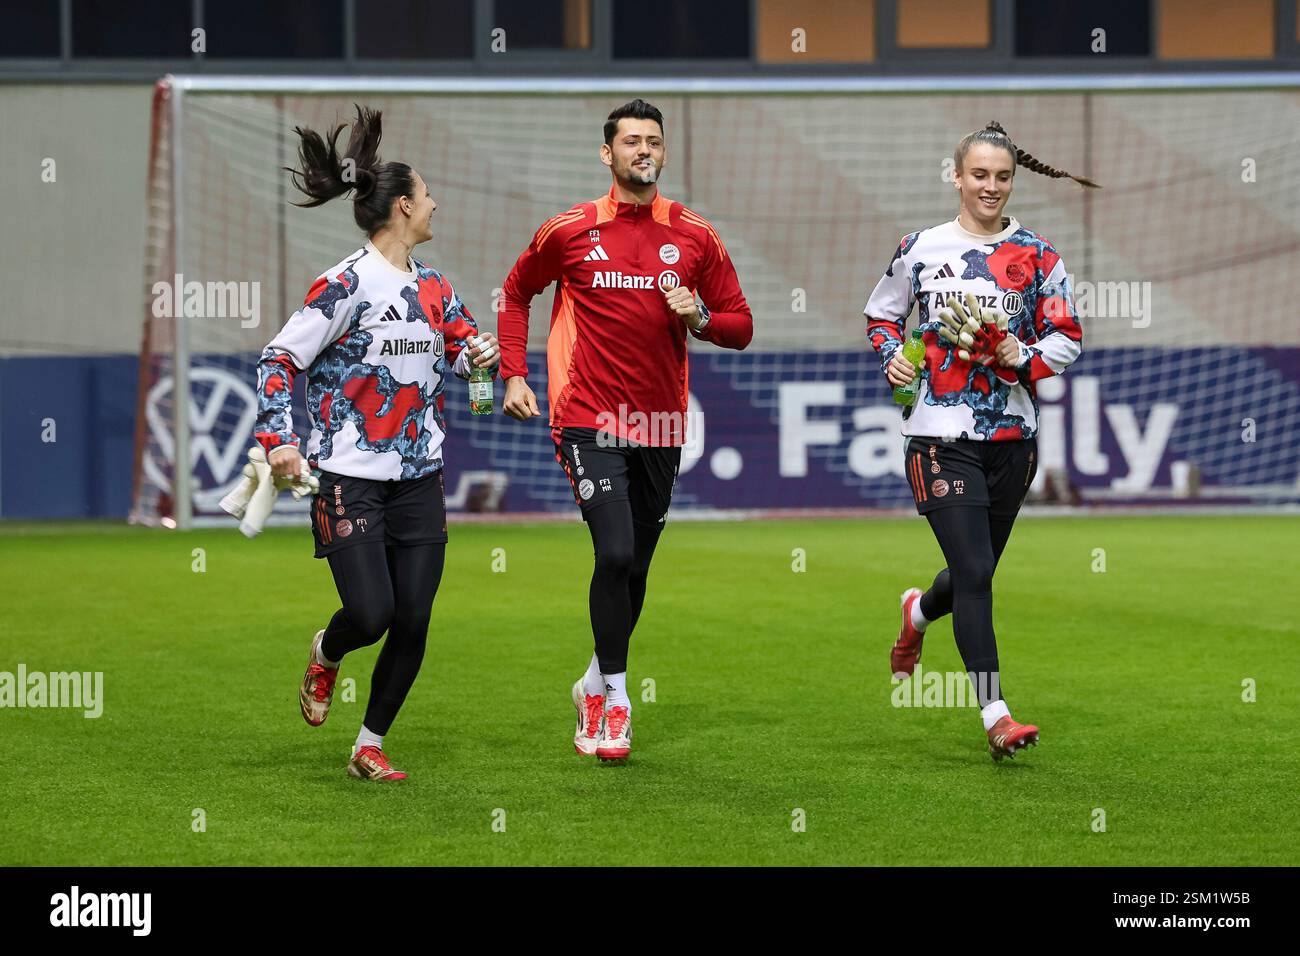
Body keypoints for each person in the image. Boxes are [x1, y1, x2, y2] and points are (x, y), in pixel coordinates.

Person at [497, 99, 753, 763]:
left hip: (661, 423)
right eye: (631, 141)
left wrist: (699, 316)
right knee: (612, 553)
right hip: (588, 417)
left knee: (635, 565)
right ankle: (615, 697)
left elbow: (741, 325)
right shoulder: (571, 229)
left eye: (654, 141)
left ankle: (590, 680)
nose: (644, 149)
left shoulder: (695, 235)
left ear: (663, 154)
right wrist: (515, 374)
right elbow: (516, 292)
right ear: (606, 155)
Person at [253, 105, 499, 781]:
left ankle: (369, 743)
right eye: (426, 193)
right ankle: (327, 653)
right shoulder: (345, 285)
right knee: (372, 613)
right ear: (400, 208)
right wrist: (279, 438)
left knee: (414, 622)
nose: (435, 202)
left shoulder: (436, 288)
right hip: (348, 478)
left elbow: (465, 365)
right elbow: (277, 360)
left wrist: (482, 360)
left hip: (419, 479)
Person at [864, 121, 1097, 761]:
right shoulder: (920, 248)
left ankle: (916, 614)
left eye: (1001, 177)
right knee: (974, 571)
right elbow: (882, 315)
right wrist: (894, 358)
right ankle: (996, 714)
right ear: (957, 176)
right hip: (938, 433)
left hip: (1013, 438)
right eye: (979, 175)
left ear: (1011, 181)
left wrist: (1019, 355)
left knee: (976, 572)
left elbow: (1068, 339)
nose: (989, 186)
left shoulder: (1041, 258)